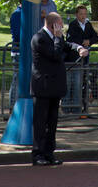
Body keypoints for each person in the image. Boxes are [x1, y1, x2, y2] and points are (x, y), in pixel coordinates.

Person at [30, 9, 88, 165]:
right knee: (41, 123)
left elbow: (67, 45)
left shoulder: (57, 38)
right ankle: (38, 154)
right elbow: (55, 54)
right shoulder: (39, 38)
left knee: (52, 122)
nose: (62, 29)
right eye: (60, 25)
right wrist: (57, 38)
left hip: (55, 87)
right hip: (43, 86)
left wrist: (78, 48)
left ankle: (49, 153)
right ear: (54, 25)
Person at [64, 6, 98, 112]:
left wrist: (89, 41)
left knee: (78, 85)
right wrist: (82, 42)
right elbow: (70, 40)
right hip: (73, 60)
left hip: (84, 59)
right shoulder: (73, 25)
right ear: (76, 15)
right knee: (69, 84)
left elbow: (95, 37)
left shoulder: (88, 24)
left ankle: (76, 109)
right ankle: (65, 108)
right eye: (81, 14)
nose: (83, 16)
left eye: (85, 13)